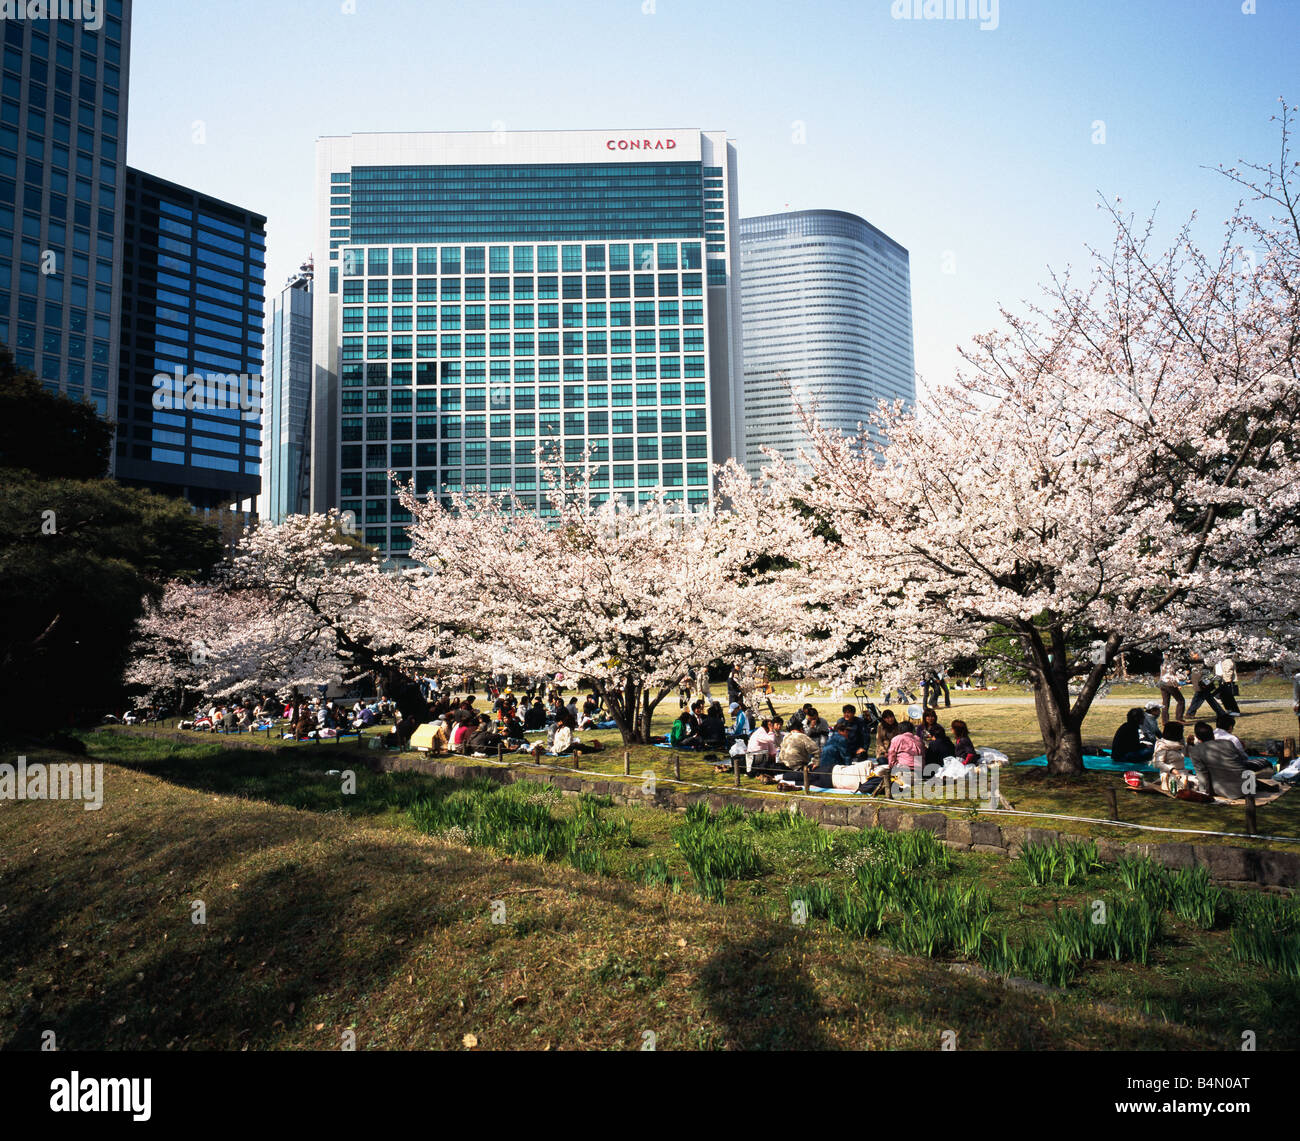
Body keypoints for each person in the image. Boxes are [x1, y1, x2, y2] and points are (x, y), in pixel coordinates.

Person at [1186, 721, 1264, 799]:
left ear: (1198, 738)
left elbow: (1202, 775)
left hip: (1224, 790)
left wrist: (1204, 794)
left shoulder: (1196, 751)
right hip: (1248, 786)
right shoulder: (1228, 743)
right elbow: (1242, 759)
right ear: (1213, 734)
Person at [1186, 652, 1225, 719]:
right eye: (1191, 654)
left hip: (1203, 684)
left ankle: (1190, 713)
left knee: (1200, 699)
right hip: (1199, 685)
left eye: (1194, 654)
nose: (1192, 656)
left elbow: (1209, 674)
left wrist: (1205, 682)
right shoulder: (1194, 664)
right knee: (1205, 699)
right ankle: (1221, 713)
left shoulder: (1203, 663)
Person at [1151, 722, 1188, 790]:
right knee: (1182, 785)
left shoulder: (1180, 743)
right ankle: (1164, 782)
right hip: (1169, 773)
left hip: (1182, 772)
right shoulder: (1162, 745)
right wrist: (1172, 770)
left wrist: (1191, 745)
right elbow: (1157, 763)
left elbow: (1187, 754)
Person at [1159, 652, 1186, 724]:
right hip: (1169, 684)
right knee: (1181, 701)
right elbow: (1172, 676)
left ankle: (1164, 720)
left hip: (1162, 683)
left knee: (1165, 702)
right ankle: (1179, 718)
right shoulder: (1171, 665)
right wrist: (1177, 685)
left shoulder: (1162, 664)